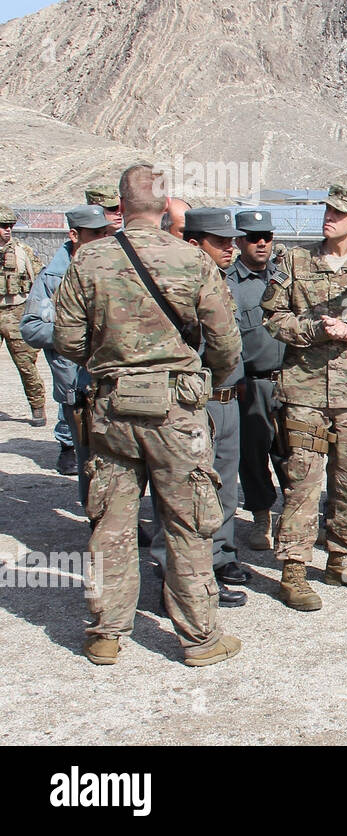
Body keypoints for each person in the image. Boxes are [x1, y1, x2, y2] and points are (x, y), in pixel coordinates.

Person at [53, 162, 242, 667]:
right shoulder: (190, 259)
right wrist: (207, 378)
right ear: (163, 206)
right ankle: (199, 639)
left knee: (111, 522)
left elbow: (67, 340)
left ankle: (106, 633)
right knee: (187, 521)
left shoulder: (88, 260)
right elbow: (225, 340)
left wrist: (112, 358)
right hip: (175, 413)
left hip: (111, 409)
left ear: (119, 205)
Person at [262, 182, 347, 611]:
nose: (329, 218)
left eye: (340, 212)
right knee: (302, 481)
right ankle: (294, 570)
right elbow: (273, 318)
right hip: (303, 391)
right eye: (327, 209)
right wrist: (310, 330)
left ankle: (342, 558)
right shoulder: (295, 260)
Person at [145, 207, 250, 607]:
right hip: (190, 403)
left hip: (226, 399)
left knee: (223, 489)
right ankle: (174, 576)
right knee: (183, 493)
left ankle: (219, 558)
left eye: (231, 241)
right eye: (220, 242)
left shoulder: (225, 282)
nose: (231, 249)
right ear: (193, 243)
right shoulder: (175, 285)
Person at [21, 204, 113, 489]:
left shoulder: (117, 270)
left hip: (113, 382)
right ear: (75, 234)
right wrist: (77, 335)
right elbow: (32, 327)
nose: (103, 240)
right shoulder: (52, 278)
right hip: (76, 387)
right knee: (89, 463)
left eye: (106, 233)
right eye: (95, 234)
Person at [229, 210, 287, 550]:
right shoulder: (229, 284)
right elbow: (228, 339)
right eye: (253, 237)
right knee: (253, 455)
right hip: (252, 384)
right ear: (239, 241)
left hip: (291, 381)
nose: (261, 242)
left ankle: (295, 516)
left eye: (266, 235)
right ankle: (262, 515)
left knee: (295, 452)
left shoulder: (283, 278)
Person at [0, 203, 46, 425]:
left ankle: (37, 407)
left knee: (26, 364)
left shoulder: (22, 251)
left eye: (10, 225)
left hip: (16, 310)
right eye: (2, 225)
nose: (7, 229)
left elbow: (39, 280)